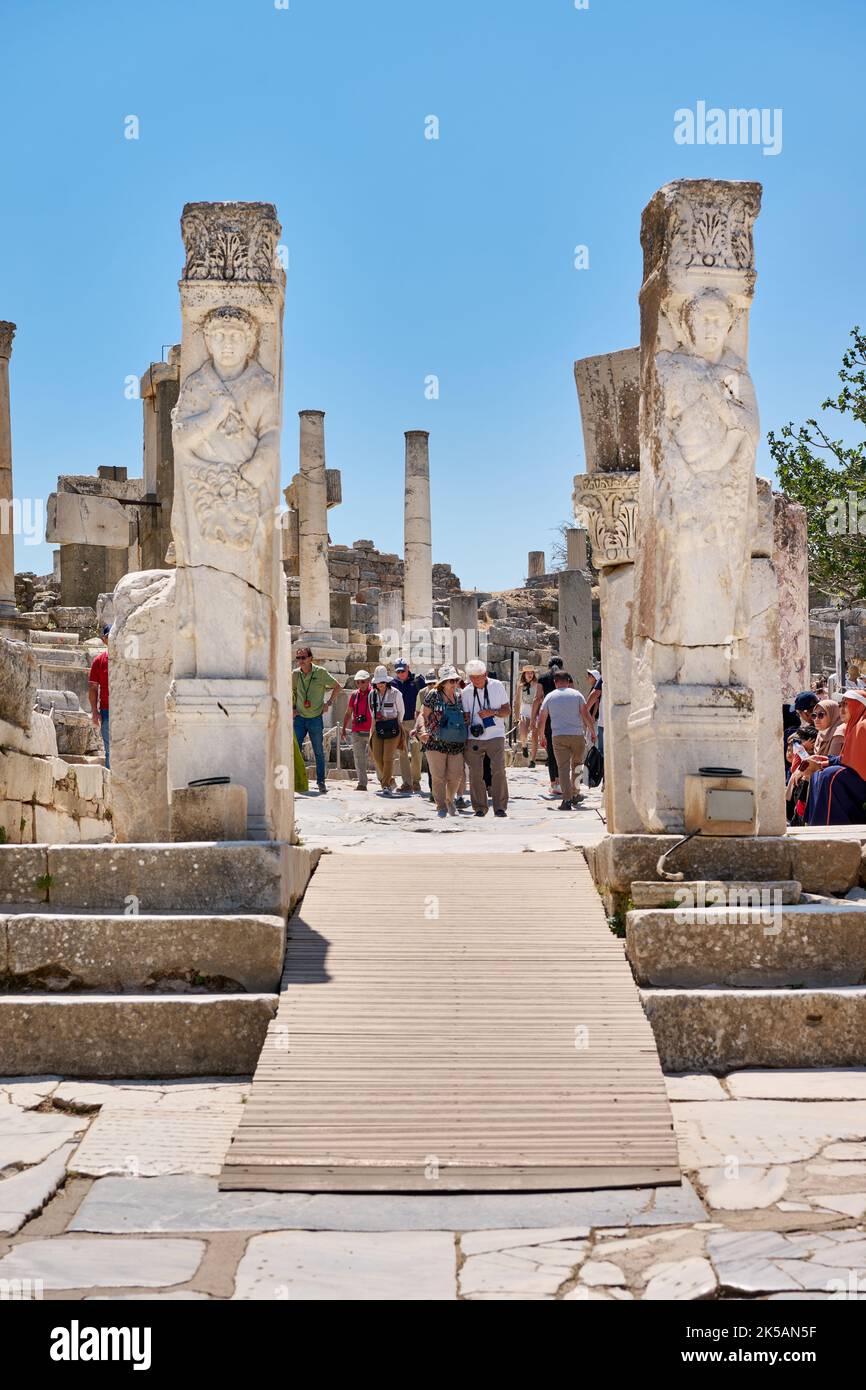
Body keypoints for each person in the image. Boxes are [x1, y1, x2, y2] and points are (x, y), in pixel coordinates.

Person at [803, 692, 866, 825]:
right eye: (840, 705)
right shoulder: (853, 725)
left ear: (858, 706)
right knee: (819, 774)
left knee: (830, 776)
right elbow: (848, 757)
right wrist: (825, 762)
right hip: (858, 775)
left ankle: (827, 825)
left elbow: (854, 761)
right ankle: (814, 824)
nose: (841, 709)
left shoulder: (862, 726)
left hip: (862, 778)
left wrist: (825, 764)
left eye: (846, 705)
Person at [461, 658, 511, 817]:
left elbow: (507, 711)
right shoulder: (466, 691)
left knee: (498, 770)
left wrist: (493, 712)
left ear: (485, 674)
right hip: (475, 737)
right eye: (472, 677)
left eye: (478, 677)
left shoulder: (497, 686)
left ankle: (500, 807)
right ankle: (480, 807)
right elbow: (467, 716)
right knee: (475, 773)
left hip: (495, 734)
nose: (475, 681)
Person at [540, 671, 596, 810]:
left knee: (563, 769)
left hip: (558, 736)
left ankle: (566, 800)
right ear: (568, 681)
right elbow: (585, 714)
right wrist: (592, 731)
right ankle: (576, 793)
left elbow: (542, 718)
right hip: (576, 734)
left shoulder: (550, 697)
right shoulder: (577, 695)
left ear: (555, 682)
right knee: (577, 765)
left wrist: (541, 735)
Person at [419, 664, 468, 818]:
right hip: (435, 742)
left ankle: (450, 799)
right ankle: (441, 805)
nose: (453, 683)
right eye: (450, 681)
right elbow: (423, 714)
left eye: (455, 680)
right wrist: (422, 731)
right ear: (443, 682)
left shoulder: (460, 696)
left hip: (456, 743)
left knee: (456, 775)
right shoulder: (433, 695)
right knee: (438, 776)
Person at [292, 646, 341, 793]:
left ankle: (321, 782)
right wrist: (292, 708)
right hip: (299, 717)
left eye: (303, 657)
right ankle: (297, 780)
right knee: (294, 750)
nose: (300, 661)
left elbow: (337, 686)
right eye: (298, 658)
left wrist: (329, 703)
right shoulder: (295, 674)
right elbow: (292, 691)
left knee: (319, 751)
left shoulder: (320, 672)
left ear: (310, 658)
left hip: (315, 718)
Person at [369, 665, 405, 796]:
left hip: (393, 727)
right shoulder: (372, 695)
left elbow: (401, 711)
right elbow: (372, 712)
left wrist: (396, 724)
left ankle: (385, 785)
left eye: (383, 682)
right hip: (378, 727)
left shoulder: (396, 693)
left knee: (388, 757)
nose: (380, 684)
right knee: (377, 757)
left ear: (387, 681)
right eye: (378, 682)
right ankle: (391, 780)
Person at [531, 657, 564, 797]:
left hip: (548, 716)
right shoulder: (565, 677)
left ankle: (554, 783)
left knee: (551, 750)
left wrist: (533, 718)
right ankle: (563, 781)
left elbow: (538, 698)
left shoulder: (543, 678)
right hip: (563, 716)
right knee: (563, 750)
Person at [392, 660, 426, 793]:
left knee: (417, 752)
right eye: (398, 671)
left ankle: (416, 781)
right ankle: (407, 783)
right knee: (402, 752)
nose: (401, 674)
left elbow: (425, 698)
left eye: (403, 671)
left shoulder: (417, 681)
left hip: (414, 722)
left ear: (408, 668)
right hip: (400, 721)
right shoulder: (393, 683)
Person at [342, 670, 373, 791]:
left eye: (363, 681)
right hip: (357, 730)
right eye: (358, 682)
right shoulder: (354, 695)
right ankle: (362, 783)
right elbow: (348, 712)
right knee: (359, 758)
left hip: (371, 730)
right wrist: (344, 728)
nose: (360, 684)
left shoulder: (374, 693)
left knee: (376, 757)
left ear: (368, 681)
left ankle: (385, 781)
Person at [88, 625, 111, 768]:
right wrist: (95, 712)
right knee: (110, 751)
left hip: (126, 711)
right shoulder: (99, 661)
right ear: (104, 640)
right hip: (107, 711)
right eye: (109, 637)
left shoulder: (128, 658)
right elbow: (93, 688)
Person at [517, 666, 539, 759]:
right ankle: (524, 746)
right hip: (525, 708)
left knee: (534, 734)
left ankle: (533, 758)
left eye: (531, 673)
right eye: (528, 673)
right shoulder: (520, 685)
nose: (530, 675)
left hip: (534, 708)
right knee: (522, 730)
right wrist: (516, 714)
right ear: (524, 674)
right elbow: (517, 700)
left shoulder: (537, 684)